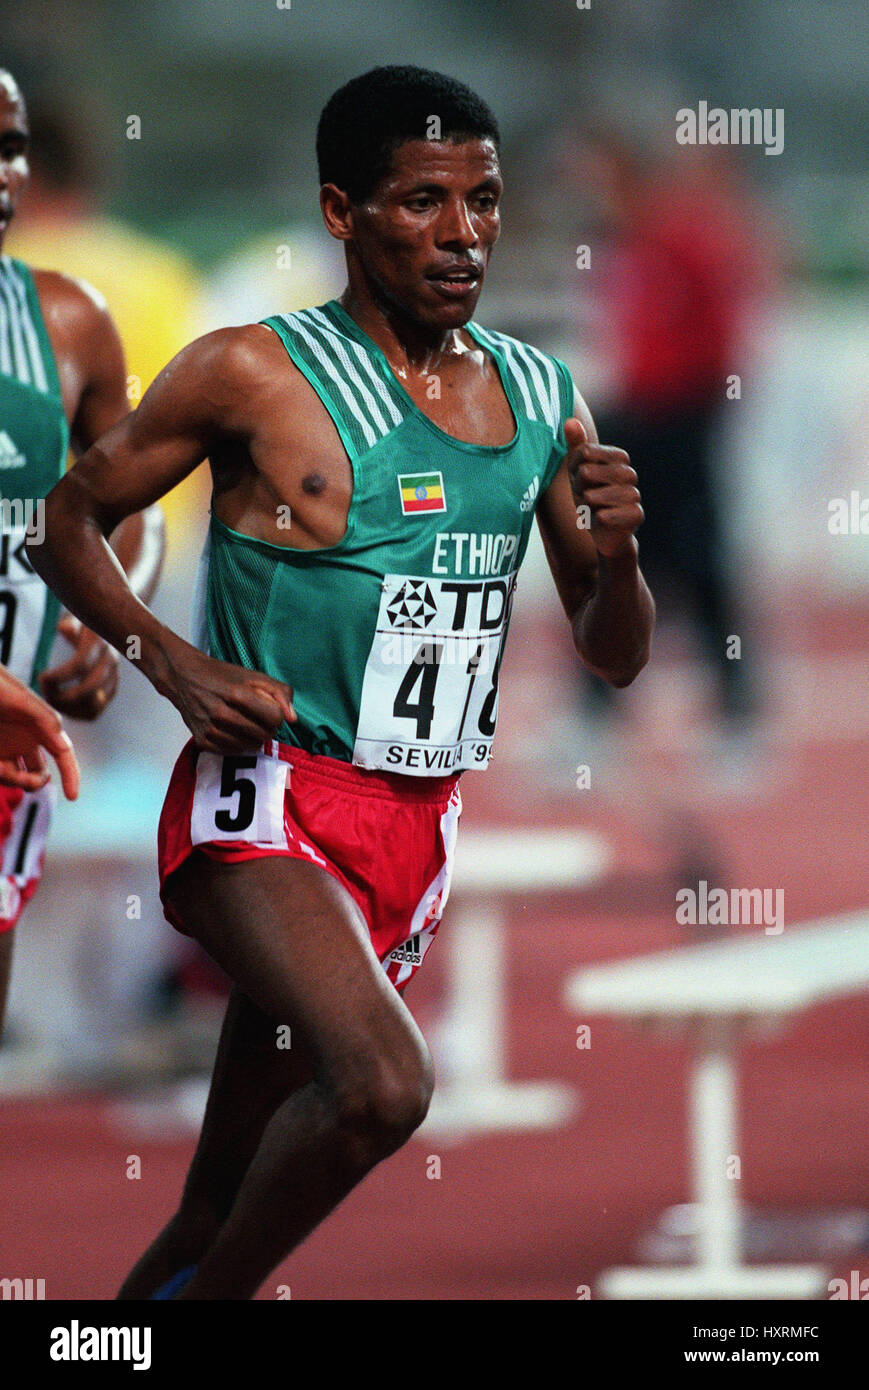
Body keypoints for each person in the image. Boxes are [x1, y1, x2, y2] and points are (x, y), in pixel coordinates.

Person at [30, 66, 654, 1301]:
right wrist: (178, 664)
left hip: (410, 826)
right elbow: (68, 518)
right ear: (340, 210)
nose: (463, 233)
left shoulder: (540, 398)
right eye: (422, 202)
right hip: (263, 805)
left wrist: (619, 557)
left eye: (482, 199)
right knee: (383, 1085)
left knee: (220, 1201)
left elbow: (612, 648)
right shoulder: (250, 373)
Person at [0, 69, 164, 1038]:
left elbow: (127, 500)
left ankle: (87, 1011)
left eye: (12, 147)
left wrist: (107, 614)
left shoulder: (67, 320)